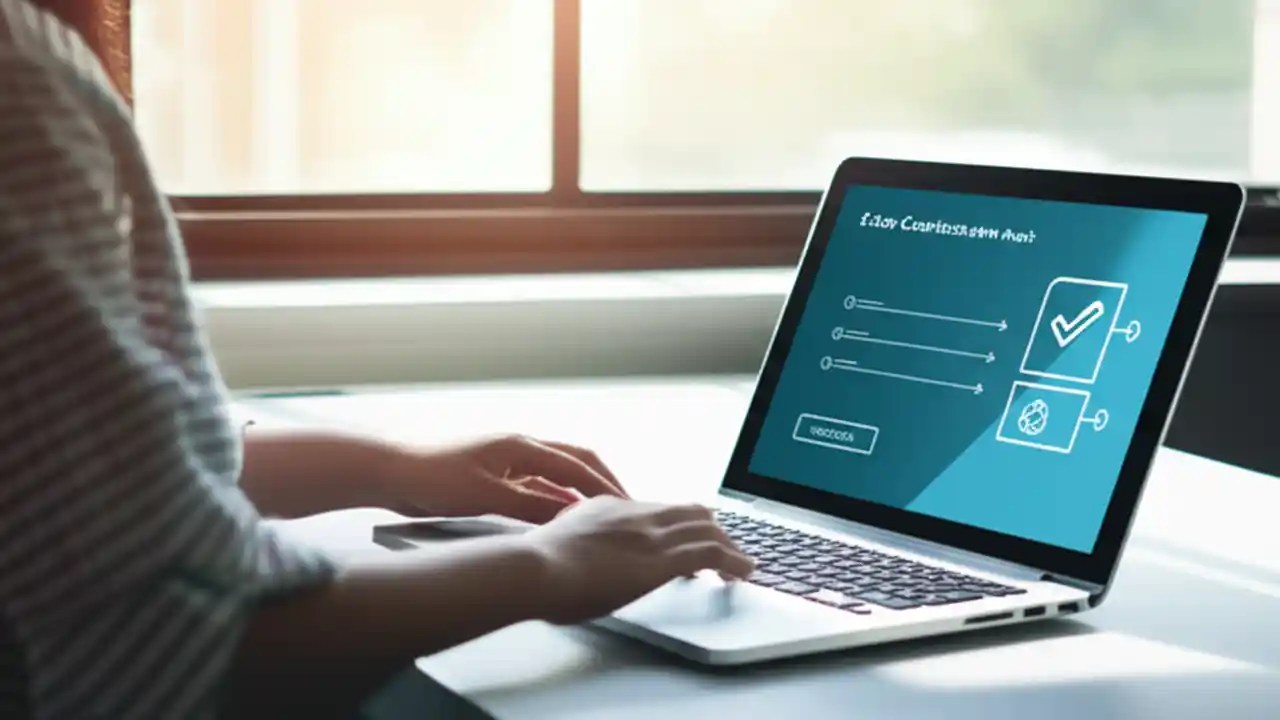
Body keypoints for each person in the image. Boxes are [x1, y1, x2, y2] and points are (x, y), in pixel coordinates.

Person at [0, 1, 753, 717]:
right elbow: (185, 654)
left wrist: (389, 468)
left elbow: (61, 471)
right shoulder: (19, 81)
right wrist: (552, 568)